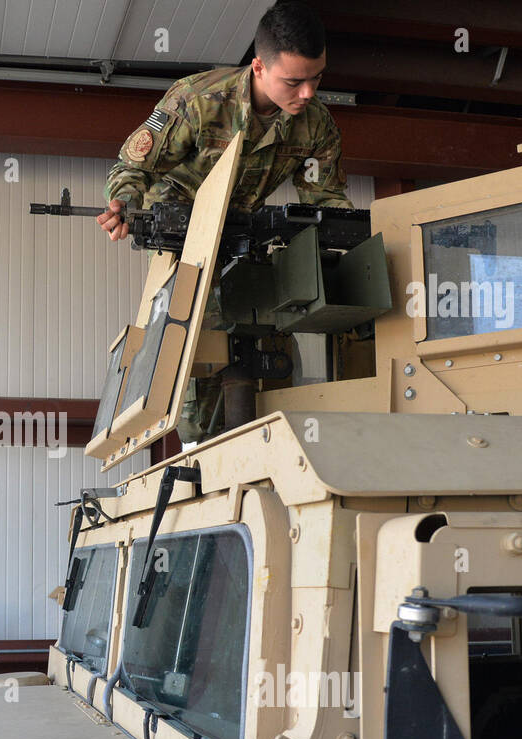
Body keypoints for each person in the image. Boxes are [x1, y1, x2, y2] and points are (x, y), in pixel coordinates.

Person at [96, 0, 353, 443]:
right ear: (258, 67)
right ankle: (202, 447)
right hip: (186, 245)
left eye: (317, 78)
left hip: (245, 244)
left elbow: (326, 201)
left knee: (271, 351)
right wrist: (123, 204)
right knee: (196, 370)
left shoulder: (316, 126)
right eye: (294, 81)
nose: (308, 93)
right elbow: (133, 168)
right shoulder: (198, 101)